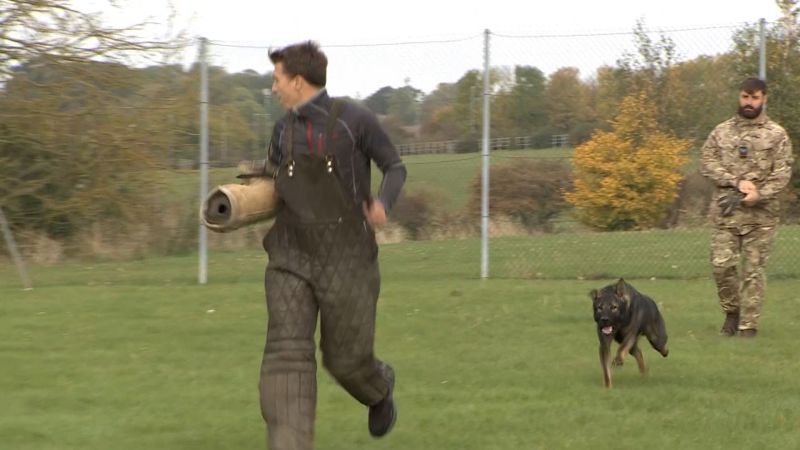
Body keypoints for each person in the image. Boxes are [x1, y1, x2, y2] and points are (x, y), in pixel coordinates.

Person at [258, 41, 407, 449]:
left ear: (298, 81)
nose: (273, 88)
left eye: (277, 79)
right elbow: (273, 183)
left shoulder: (354, 120)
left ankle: (378, 389)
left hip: (348, 259)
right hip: (291, 254)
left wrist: (383, 203)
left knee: (346, 361)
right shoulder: (282, 130)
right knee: (285, 354)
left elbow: (394, 167)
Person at [700, 77, 794, 338]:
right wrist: (736, 182)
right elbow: (707, 162)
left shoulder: (777, 135)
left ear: (764, 98)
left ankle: (747, 327)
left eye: (754, 98)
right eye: (745, 96)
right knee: (722, 266)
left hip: (760, 217)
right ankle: (732, 312)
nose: (749, 102)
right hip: (726, 214)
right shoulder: (721, 132)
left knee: (753, 272)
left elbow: (782, 173)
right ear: (739, 97)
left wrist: (759, 194)